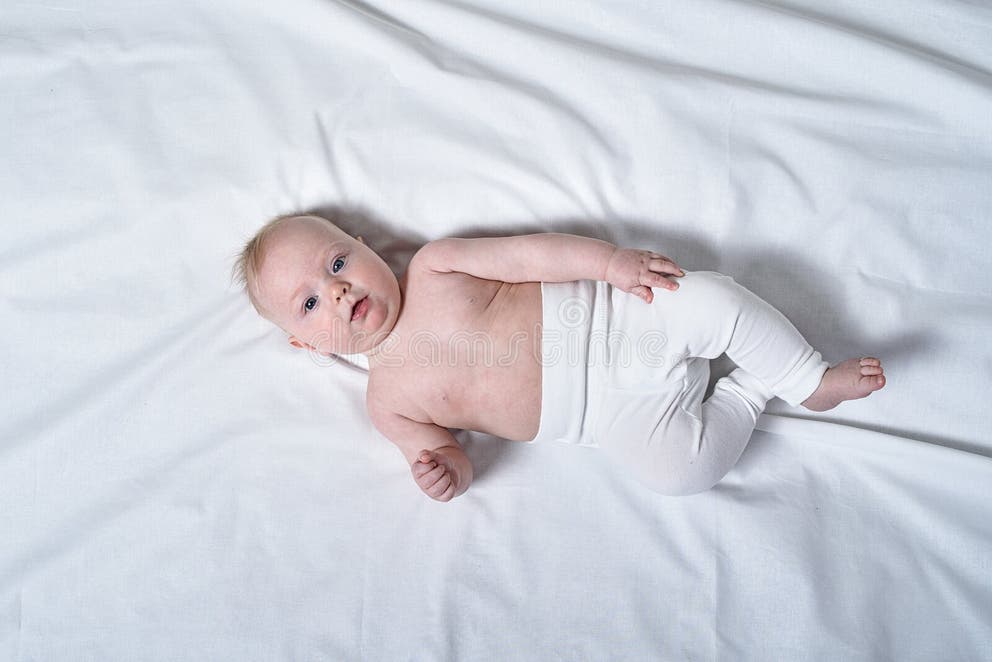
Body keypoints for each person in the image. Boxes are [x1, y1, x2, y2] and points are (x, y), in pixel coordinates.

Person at [233, 213, 885, 501]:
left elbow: (527, 254)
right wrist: (444, 476)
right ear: (304, 344)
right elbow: (451, 456)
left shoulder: (435, 268)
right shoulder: (388, 403)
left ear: (361, 244)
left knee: (713, 297)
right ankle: (749, 389)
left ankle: (805, 378)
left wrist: (610, 263)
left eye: (338, 263)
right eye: (310, 304)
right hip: (611, 416)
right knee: (678, 475)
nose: (339, 290)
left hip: (622, 324)